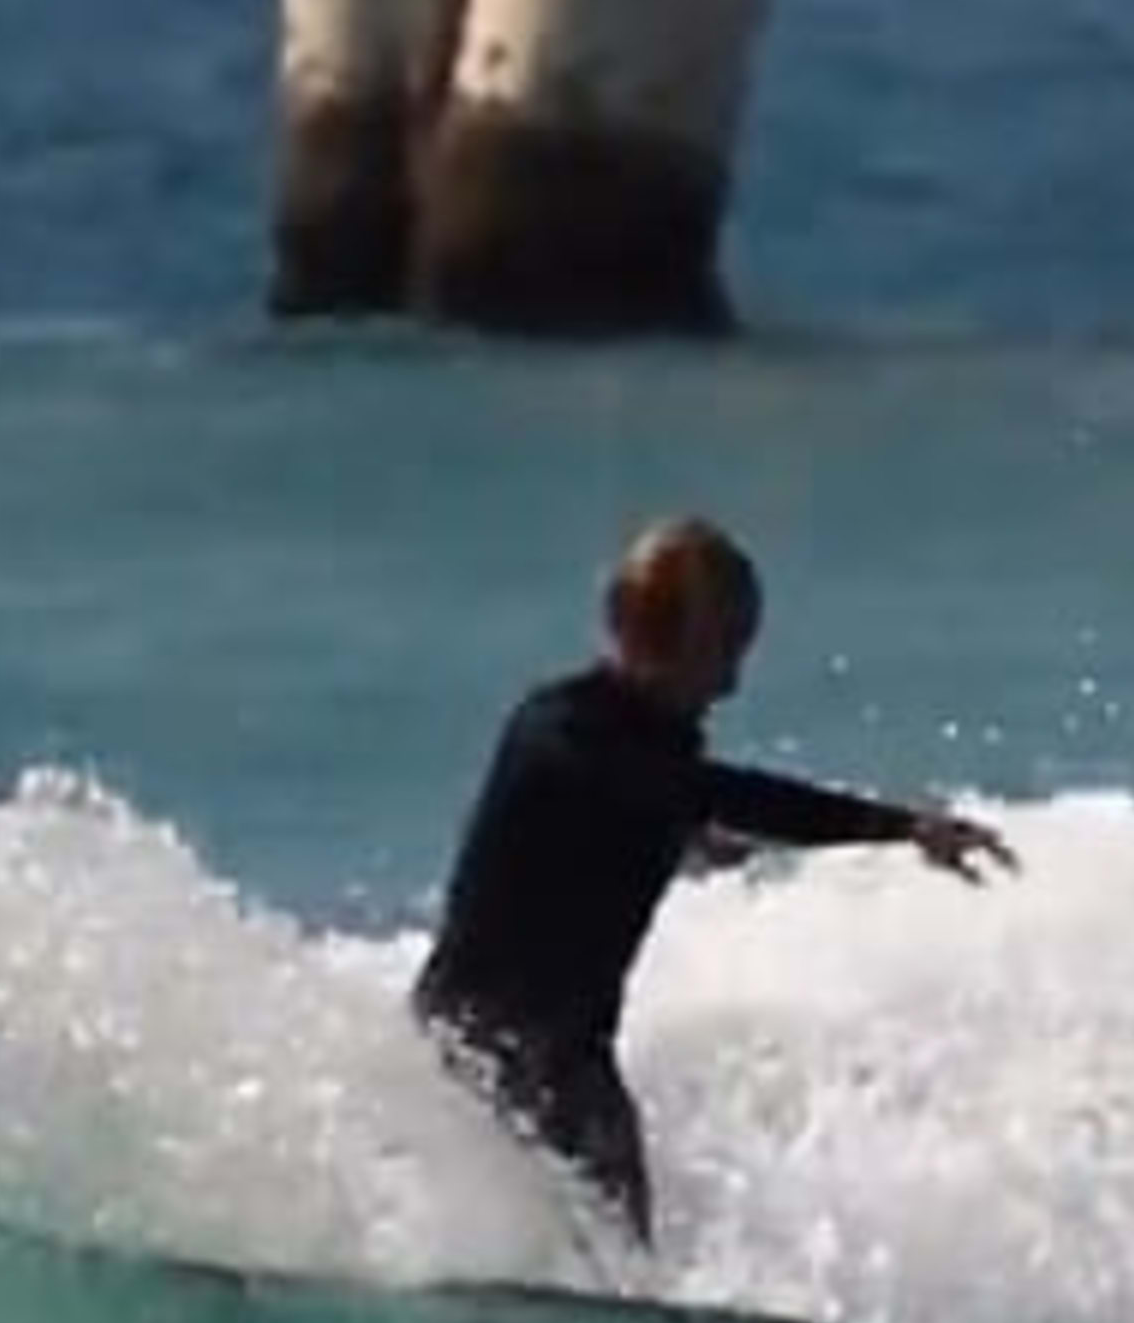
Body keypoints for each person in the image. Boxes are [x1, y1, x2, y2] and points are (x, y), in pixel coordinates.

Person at [411, 514, 1013, 1247]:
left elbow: (647, 806)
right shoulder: (560, 729)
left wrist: (687, 839)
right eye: (723, 649)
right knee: (599, 1242)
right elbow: (705, 792)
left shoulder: (641, 751)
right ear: (654, 641)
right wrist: (903, 825)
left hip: (559, 1053)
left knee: (612, 1249)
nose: (731, 681)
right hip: (485, 1043)